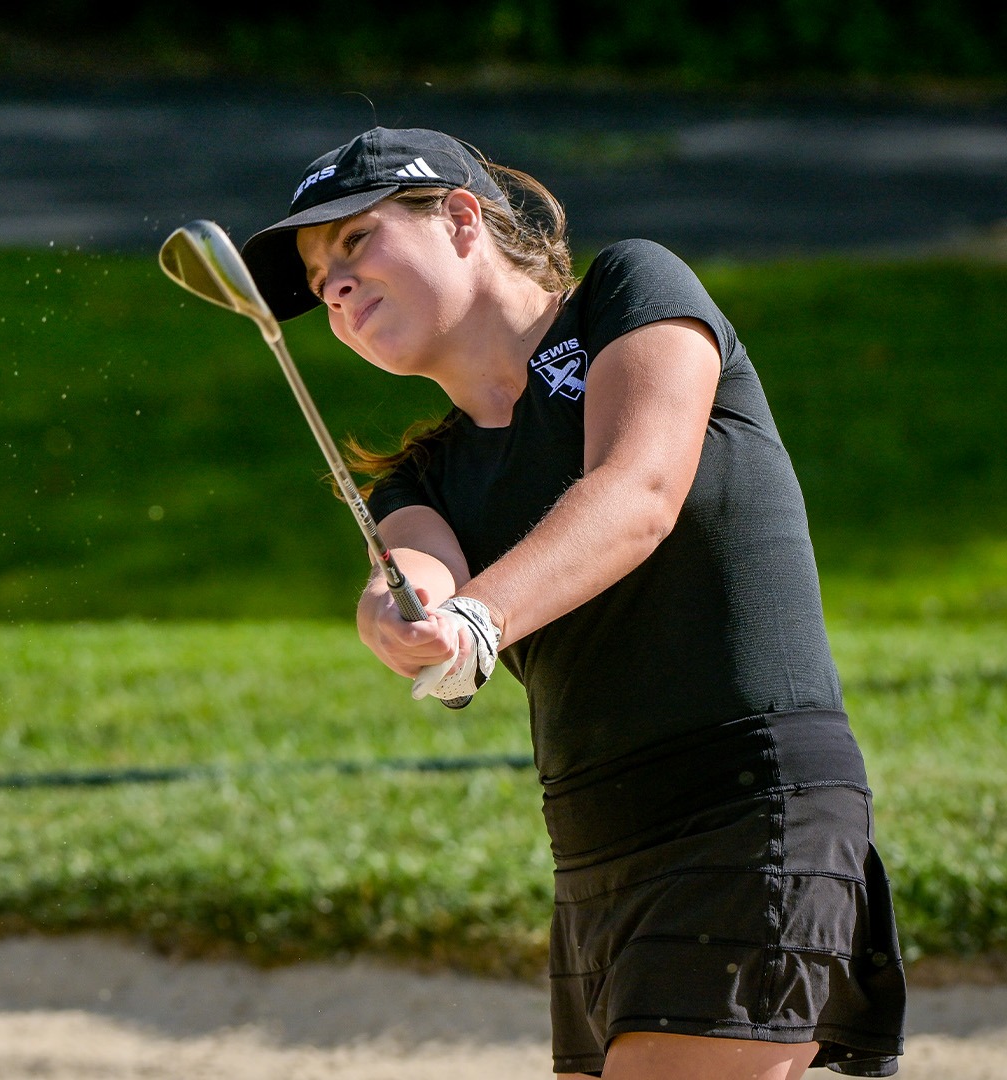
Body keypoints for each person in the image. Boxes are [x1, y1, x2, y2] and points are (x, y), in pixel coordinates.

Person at [237, 127, 906, 1078]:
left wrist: (479, 617)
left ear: (462, 219)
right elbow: (413, 571)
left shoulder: (629, 293)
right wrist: (403, 618)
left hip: (748, 803)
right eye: (316, 278)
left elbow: (637, 492)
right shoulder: (422, 477)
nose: (334, 286)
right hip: (594, 850)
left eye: (355, 241)